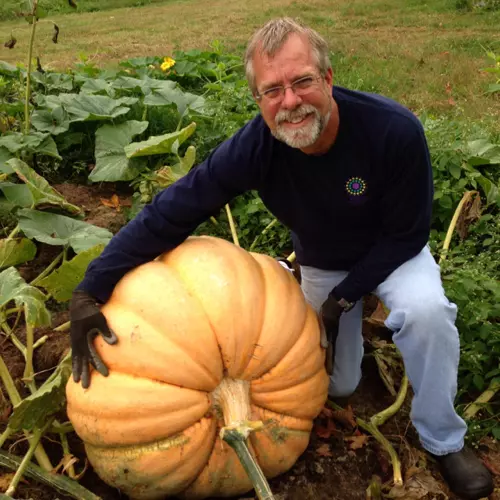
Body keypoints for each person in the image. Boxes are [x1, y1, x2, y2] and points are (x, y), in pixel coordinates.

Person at [69, 17, 493, 500]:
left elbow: (409, 232)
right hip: (324, 262)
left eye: (302, 82)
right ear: (259, 101)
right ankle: (353, 352)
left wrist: (346, 299)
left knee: (426, 314)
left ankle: (443, 439)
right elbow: (173, 211)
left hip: (394, 253)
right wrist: (91, 288)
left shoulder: (391, 131)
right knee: (336, 386)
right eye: (273, 90)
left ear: (328, 79)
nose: (290, 101)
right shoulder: (255, 149)